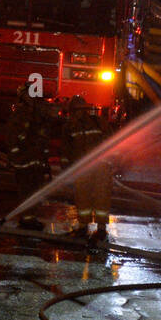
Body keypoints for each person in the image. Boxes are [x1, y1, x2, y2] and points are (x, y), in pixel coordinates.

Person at [62, 96, 111, 246]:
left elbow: (111, 140)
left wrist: (113, 162)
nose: (78, 114)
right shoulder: (69, 127)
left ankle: (101, 229)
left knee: (101, 197)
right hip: (82, 168)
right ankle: (84, 227)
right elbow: (66, 150)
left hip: (100, 166)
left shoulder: (98, 122)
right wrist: (67, 168)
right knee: (82, 197)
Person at [6, 86, 51, 231]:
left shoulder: (37, 116)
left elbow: (43, 138)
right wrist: (15, 156)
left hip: (35, 161)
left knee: (34, 190)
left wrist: (44, 158)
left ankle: (31, 218)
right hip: (24, 161)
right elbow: (12, 137)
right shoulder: (20, 114)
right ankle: (26, 220)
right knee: (26, 191)